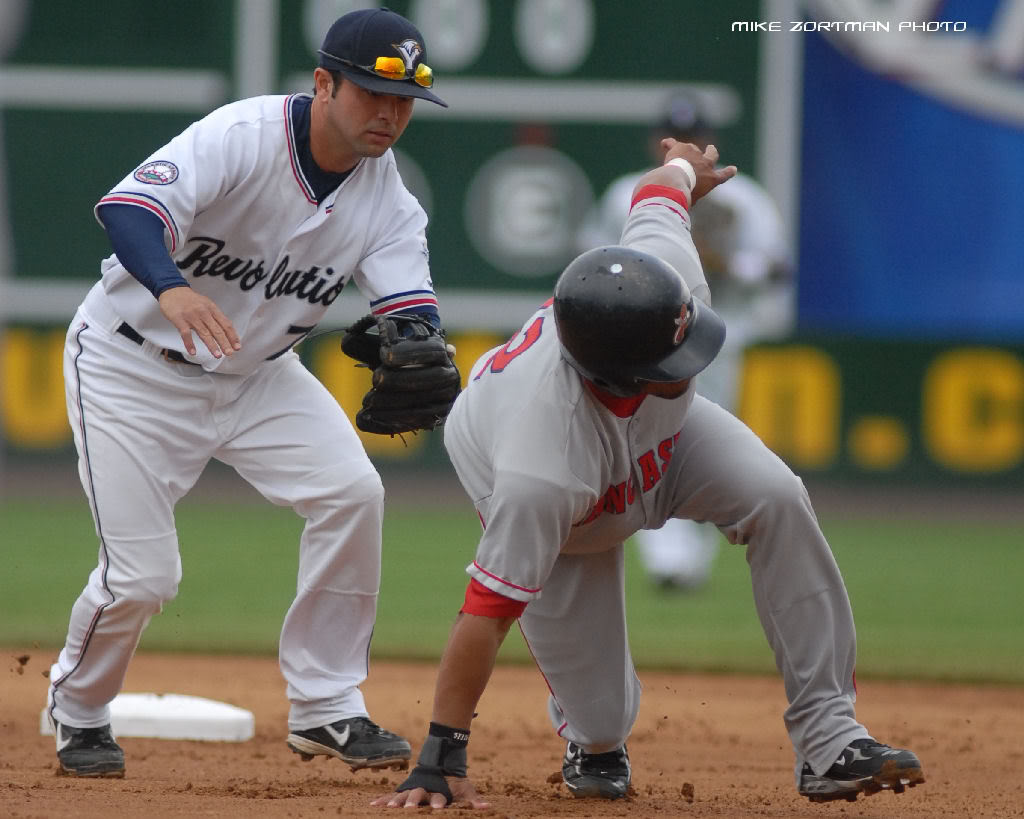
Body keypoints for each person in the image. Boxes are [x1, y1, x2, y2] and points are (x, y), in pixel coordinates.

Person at [372, 139, 925, 808]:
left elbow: (659, 190)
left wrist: (686, 163)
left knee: (778, 494)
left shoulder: (662, 277)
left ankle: (831, 739)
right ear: (618, 375)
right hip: (572, 506)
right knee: (605, 721)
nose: (690, 365)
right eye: (671, 363)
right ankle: (594, 742)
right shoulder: (540, 467)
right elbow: (484, 616)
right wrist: (440, 754)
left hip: (665, 442)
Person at [47, 7, 453, 778]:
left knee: (351, 493)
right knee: (142, 578)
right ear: (324, 83)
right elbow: (130, 210)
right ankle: (79, 709)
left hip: (258, 374)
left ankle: (326, 707)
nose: (389, 114)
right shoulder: (243, 135)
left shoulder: (389, 200)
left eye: (403, 101)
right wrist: (170, 287)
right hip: (129, 365)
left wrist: (421, 339)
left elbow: (412, 309)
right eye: (372, 93)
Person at [578, 89, 794, 592]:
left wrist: (734, 264)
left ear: (711, 141)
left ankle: (690, 558)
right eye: (675, 135)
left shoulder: (743, 197)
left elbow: (780, 268)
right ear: (657, 141)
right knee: (652, 445)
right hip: (645, 343)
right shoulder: (627, 193)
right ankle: (668, 560)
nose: (684, 144)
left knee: (710, 445)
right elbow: (590, 262)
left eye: (694, 135)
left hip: (719, 339)